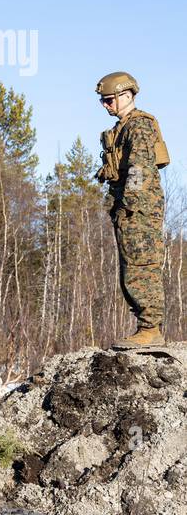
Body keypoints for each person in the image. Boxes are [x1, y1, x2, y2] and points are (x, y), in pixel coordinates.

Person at [95, 72, 171, 348]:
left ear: (126, 96)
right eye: (103, 101)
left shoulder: (138, 126)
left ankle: (150, 328)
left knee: (141, 267)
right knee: (131, 267)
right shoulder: (122, 127)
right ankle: (146, 327)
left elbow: (139, 167)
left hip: (138, 209)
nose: (106, 105)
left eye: (109, 100)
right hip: (129, 208)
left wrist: (130, 203)